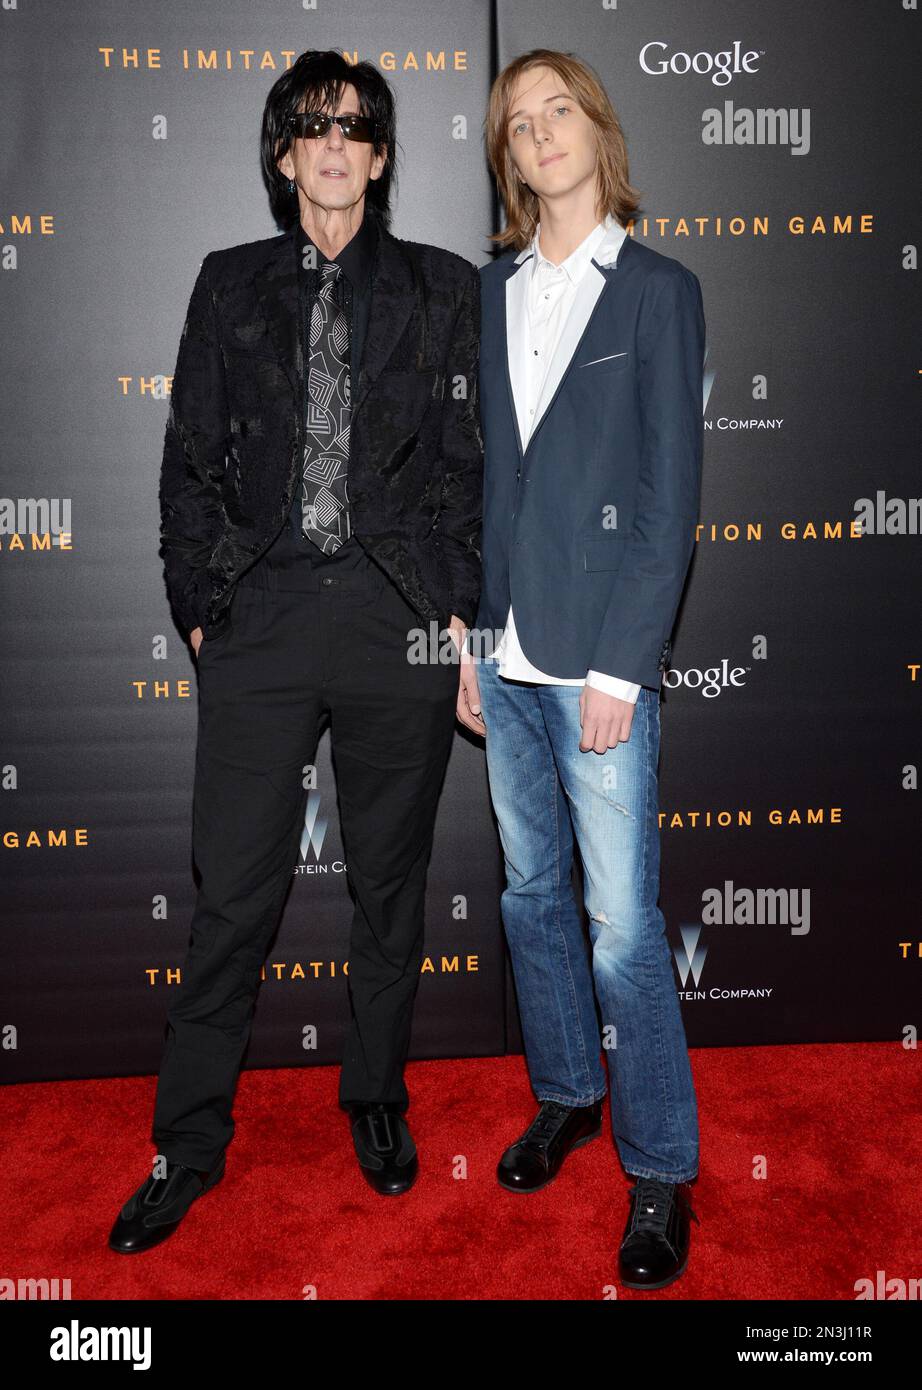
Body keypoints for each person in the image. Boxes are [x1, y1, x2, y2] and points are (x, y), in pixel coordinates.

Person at [109, 49, 482, 1254]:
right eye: (314, 126)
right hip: (262, 616)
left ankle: (375, 1096)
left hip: (397, 617)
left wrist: (458, 611)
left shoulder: (441, 289)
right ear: (284, 153)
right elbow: (188, 462)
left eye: (357, 127)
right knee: (233, 895)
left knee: (388, 887)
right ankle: (188, 1143)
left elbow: (477, 467)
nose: (334, 145)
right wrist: (205, 606)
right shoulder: (229, 284)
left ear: (378, 155)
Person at [457, 49, 704, 1290]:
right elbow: (481, 482)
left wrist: (624, 666)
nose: (540, 134)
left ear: (596, 132)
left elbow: (669, 500)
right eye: (519, 123)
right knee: (528, 899)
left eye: (559, 111)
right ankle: (566, 1095)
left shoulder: (657, 289)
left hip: (597, 661)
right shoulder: (491, 290)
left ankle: (660, 1166)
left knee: (618, 929)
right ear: (506, 156)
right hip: (502, 653)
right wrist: (467, 635)